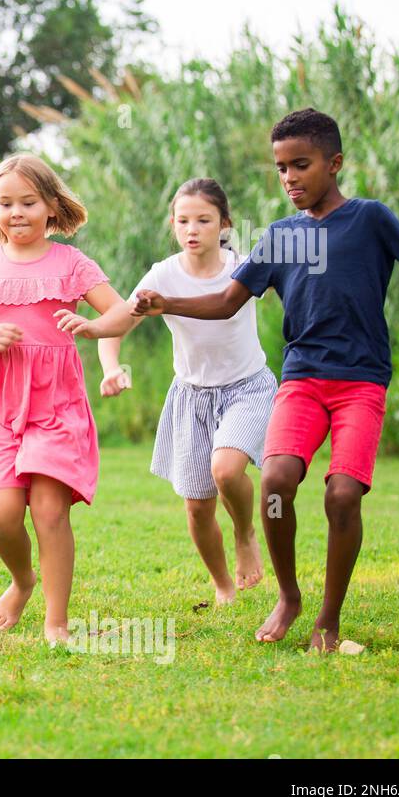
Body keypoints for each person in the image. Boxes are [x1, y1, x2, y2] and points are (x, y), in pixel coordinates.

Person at [133, 109, 399, 651]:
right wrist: (168, 303)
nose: (290, 178)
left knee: (343, 495)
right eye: (280, 168)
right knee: (276, 482)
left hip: (360, 382)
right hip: (301, 380)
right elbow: (228, 300)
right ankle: (288, 597)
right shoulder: (280, 236)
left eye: (301, 165)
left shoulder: (371, 219)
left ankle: (328, 619)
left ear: (335, 163)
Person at [0, 154, 125, 641]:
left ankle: (56, 621)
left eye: (28, 201)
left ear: (51, 206)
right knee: (1, 514)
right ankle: (22, 579)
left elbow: (121, 313)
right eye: (5, 203)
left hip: (56, 404)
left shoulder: (71, 264)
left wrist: (92, 329)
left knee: (49, 510)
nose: (17, 212)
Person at [96, 178, 275, 605]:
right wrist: (111, 367)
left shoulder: (244, 267)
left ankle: (245, 532)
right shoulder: (163, 274)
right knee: (197, 507)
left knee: (227, 470)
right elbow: (116, 322)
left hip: (246, 388)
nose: (191, 229)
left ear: (224, 224)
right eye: (182, 221)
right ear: (173, 224)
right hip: (191, 396)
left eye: (203, 220)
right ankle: (222, 585)